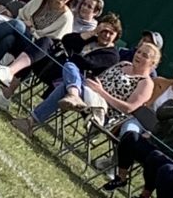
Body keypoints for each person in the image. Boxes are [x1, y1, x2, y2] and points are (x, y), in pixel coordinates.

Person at [16, 35, 160, 135]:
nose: (139, 56)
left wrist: (101, 92)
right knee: (70, 66)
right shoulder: (123, 64)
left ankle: (31, 121)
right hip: (90, 95)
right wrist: (94, 85)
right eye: (139, 52)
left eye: (145, 55)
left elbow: (128, 108)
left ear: (153, 64)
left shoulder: (146, 83)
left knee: (66, 87)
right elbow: (100, 80)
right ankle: (73, 95)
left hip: (104, 111)